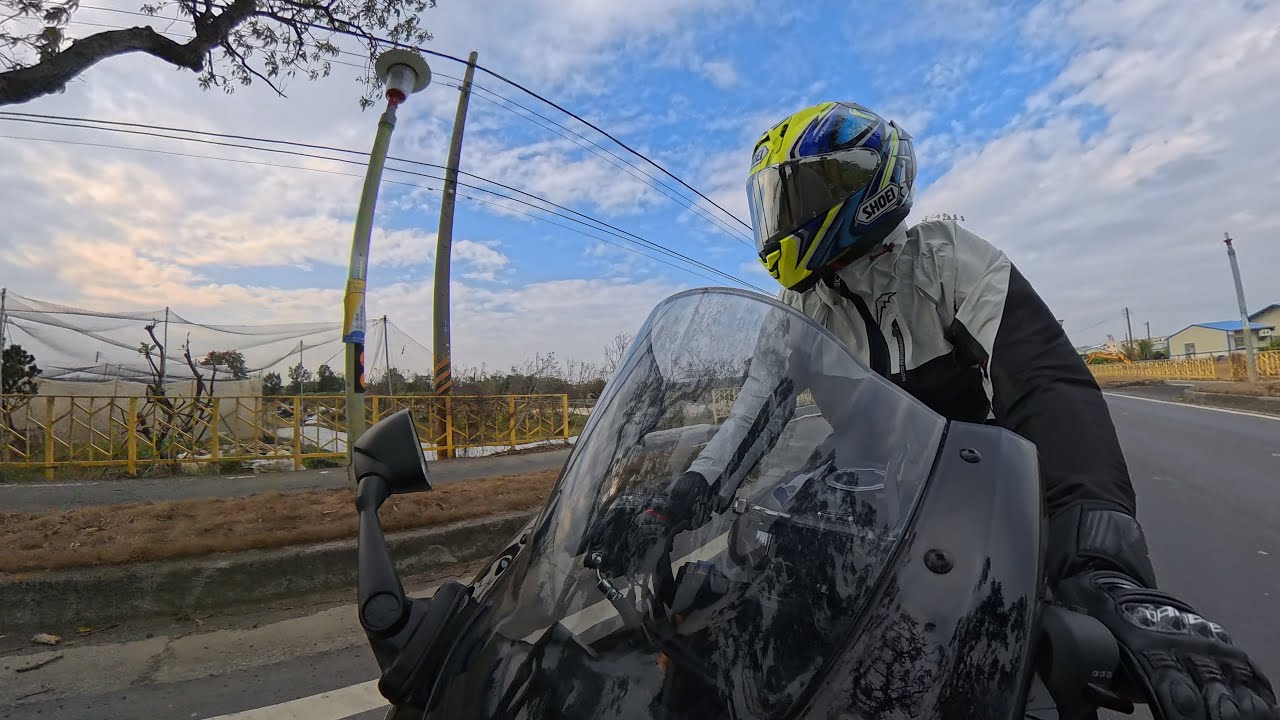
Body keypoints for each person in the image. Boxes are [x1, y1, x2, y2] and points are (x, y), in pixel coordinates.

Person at [628, 101, 1278, 718]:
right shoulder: (801, 309)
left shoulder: (946, 261)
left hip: (974, 490)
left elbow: (1048, 388)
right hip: (859, 498)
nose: (780, 217)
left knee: (997, 664)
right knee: (733, 613)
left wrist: (1100, 560)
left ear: (859, 188)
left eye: (795, 196)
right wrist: (679, 495)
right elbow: (750, 419)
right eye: (776, 202)